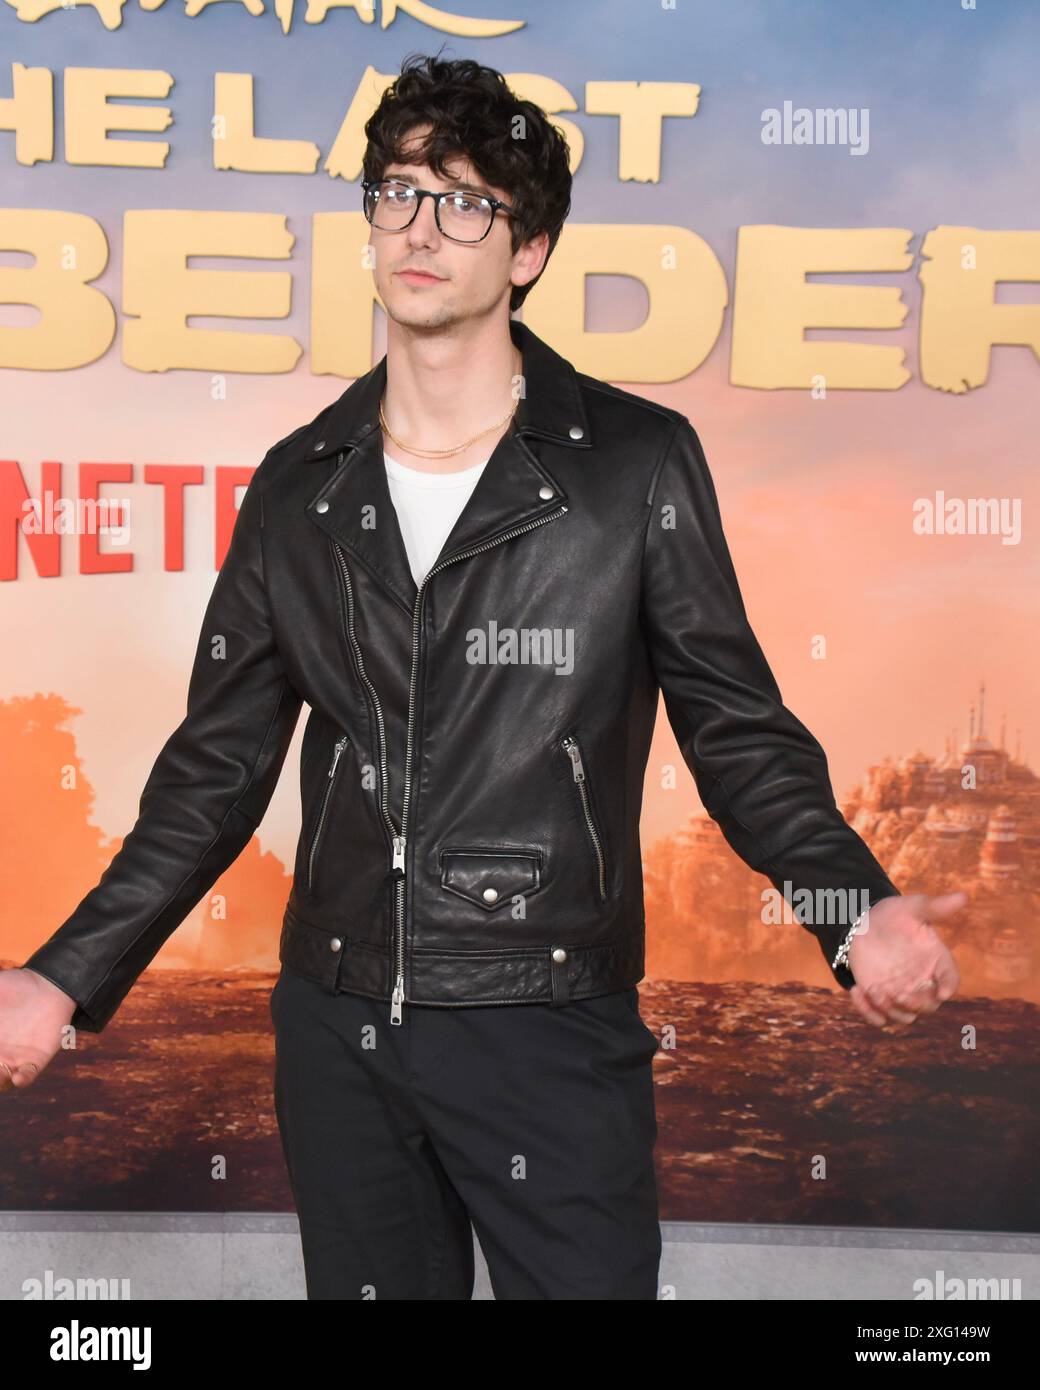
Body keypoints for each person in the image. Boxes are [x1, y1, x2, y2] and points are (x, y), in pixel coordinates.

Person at [1, 54, 963, 1299]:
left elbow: (734, 731)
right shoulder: (301, 483)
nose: (422, 228)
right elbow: (215, 771)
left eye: (466, 203)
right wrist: (65, 974)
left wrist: (851, 908)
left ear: (528, 252)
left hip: (546, 1021)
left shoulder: (633, 466)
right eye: (397, 193)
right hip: (340, 1027)